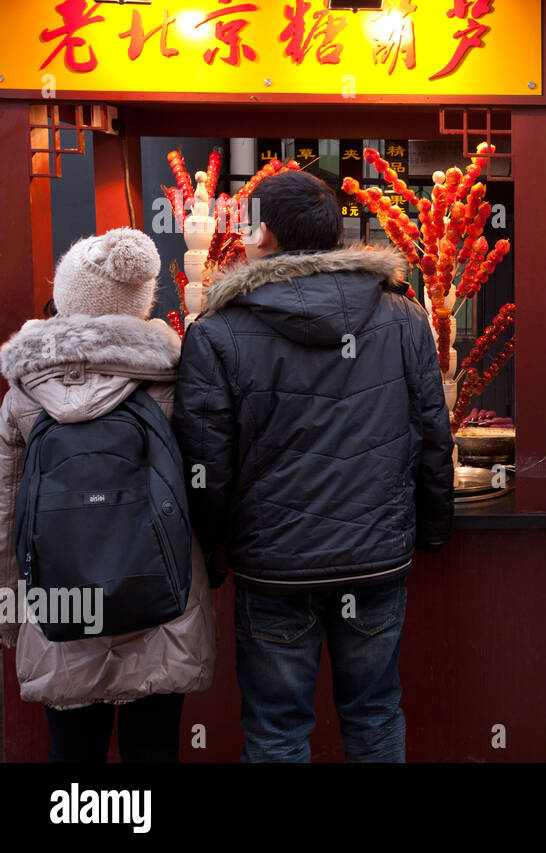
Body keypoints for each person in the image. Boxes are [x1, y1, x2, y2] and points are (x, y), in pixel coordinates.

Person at [173, 170, 453, 763]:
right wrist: (431, 528)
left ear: (267, 235)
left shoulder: (218, 332)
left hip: (273, 569)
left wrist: (216, 551)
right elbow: (434, 432)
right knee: (374, 715)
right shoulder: (402, 319)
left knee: (277, 731)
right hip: (375, 560)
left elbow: (206, 465)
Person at [0, 228, 217, 762]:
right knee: (155, 747)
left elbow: (6, 509)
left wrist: (8, 603)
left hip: (58, 600)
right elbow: (206, 485)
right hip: (161, 597)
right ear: (138, 304)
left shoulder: (25, 392)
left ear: (66, 295)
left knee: (72, 754)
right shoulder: (173, 380)